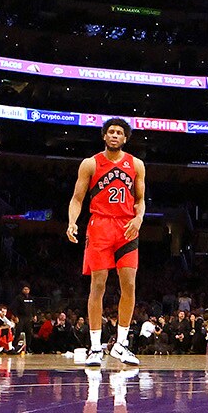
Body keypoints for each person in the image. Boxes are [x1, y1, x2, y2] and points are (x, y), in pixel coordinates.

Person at [67, 118, 145, 367]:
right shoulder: (90, 163)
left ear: (125, 138)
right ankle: (95, 347)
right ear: (104, 136)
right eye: (110, 131)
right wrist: (72, 222)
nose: (114, 135)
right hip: (100, 226)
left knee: (129, 285)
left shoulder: (136, 164)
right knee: (97, 285)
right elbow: (77, 199)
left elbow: (140, 200)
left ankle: (121, 344)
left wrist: (139, 218)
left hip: (126, 227)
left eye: (119, 132)